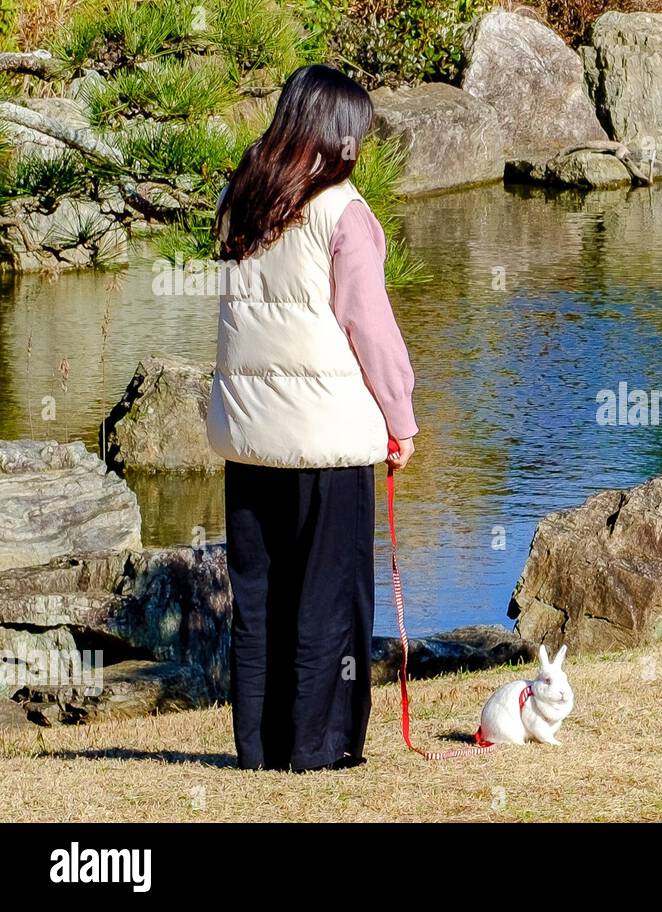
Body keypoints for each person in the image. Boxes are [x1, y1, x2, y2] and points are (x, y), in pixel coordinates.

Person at [206, 64, 418, 772]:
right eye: (358, 132)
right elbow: (371, 328)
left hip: (250, 442)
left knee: (260, 602)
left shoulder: (242, 198)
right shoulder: (343, 211)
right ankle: (319, 750)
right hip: (327, 444)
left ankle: (260, 751)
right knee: (329, 600)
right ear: (338, 136)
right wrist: (402, 417)